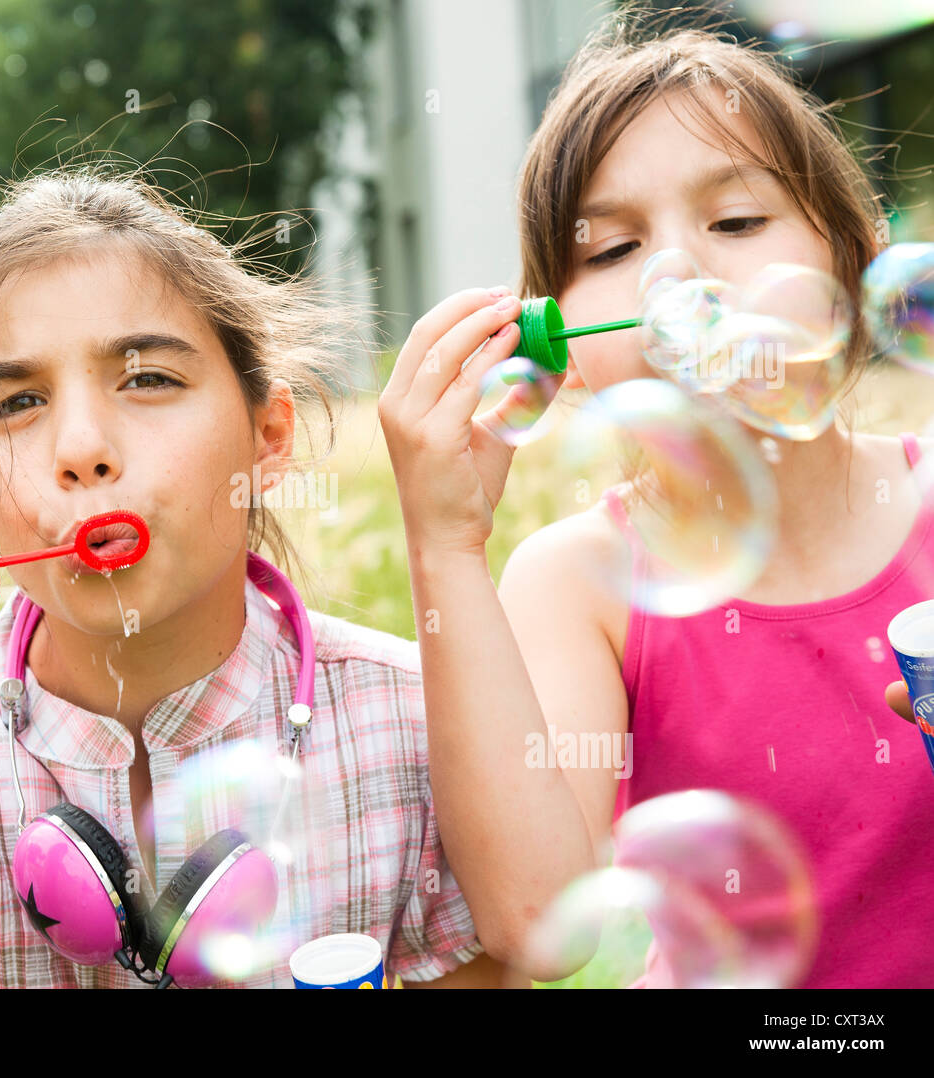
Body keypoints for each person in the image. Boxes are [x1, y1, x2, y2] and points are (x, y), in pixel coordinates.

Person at [0, 166, 518, 988]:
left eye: (148, 377)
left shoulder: (421, 727)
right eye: (16, 403)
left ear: (268, 437)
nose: (80, 448)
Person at [379, 20, 934, 987]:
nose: (678, 278)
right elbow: (537, 923)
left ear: (851, 260)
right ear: (563, 343)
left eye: (736, 223)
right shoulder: (578, 584)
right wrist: (447, 544)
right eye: (617, 246)